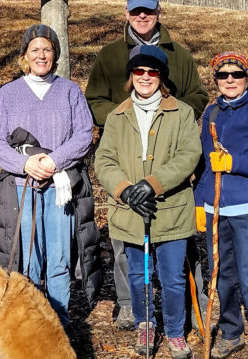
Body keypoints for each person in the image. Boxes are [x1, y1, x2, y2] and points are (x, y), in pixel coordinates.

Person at [85, 0, 209, 330]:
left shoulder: (179, 55)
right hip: (124, 156)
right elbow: (93, 100)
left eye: (148, 11)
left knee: (176, 245)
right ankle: (130, 306)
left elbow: (197, 96)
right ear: (126, 13)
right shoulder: (109, 55)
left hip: (169, 159)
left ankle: (187, 310)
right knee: (127, 246)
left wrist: (172, 116)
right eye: (136, 11)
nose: (142, 17)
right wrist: (125, 119)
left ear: (158, 13)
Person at [0, 24, 98, 327]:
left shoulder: (70, 91)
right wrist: (25, 164)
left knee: (59, 259)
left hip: (60, 188)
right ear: (24, 55)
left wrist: (53, 160)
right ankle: (32, 323)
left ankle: (58, 322)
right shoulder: (8, 94)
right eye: (34, 49)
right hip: (22, 188)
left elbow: (84, 133)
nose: (41, 55)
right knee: (29, 259)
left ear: (55, 54)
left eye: (47, 49)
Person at [95, 45, 201, 358]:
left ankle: (175, 332)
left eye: (152, 71)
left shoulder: (182, 113)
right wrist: (126, 190)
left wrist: (152, 185)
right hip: (130, 212)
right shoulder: (116, 116)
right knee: (139, 275)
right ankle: (145, 324)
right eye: (139, 71)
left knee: (171, 277)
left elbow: (188, 156)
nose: (145, 77)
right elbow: (104, 160)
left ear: (161, 76)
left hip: (170, 210)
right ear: (131, 76)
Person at [194, 52, 248, 359]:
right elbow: (205, 165)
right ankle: (232, 333)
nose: (229, 80)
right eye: (223, 75)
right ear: (215, 80)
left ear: (247, 78)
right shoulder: (210, 114)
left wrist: (233, 163)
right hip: (217, 207)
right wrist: (199, 203)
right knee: (221, 277)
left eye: (236, 74)